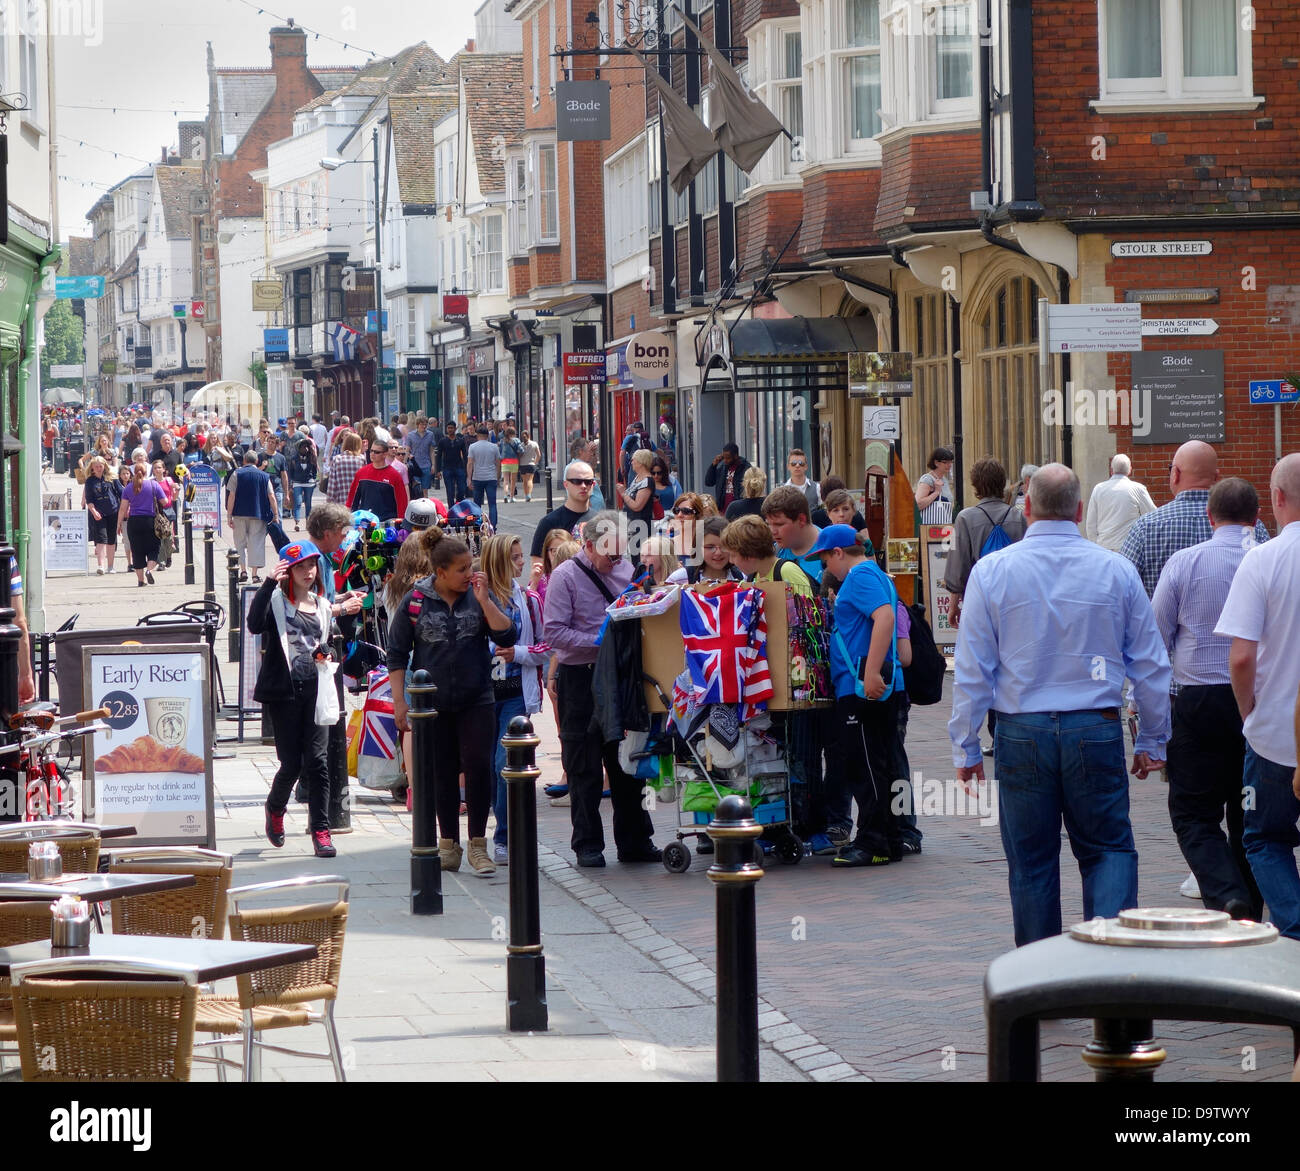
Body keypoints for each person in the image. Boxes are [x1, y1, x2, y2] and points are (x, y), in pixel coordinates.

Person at [949, 465, 1172, 947]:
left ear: (1026, 507)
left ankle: (1039, 982)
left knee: (1031, 861)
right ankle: (1110, 973)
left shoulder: (991, 572)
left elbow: (973, 669)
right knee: (1109, 850)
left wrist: (966, 745)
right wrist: (1153, 738)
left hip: (1022, 730)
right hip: (1094, 726)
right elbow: (1151, 665)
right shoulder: (1116, 569)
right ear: (1079, 510)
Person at [1151, 477, 1264, 921]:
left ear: (1209, 516)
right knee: (1247, 811)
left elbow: (1154, 640)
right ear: (1257, 516)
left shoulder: (1184, 563)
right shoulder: (1265, 560)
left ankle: (1226, 893)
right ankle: (1249, 905)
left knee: (1194, 813)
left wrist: (1146, 713)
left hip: (1196, 702)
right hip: (1255, 700)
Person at [388, 528, 517, 878]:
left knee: (478, 765)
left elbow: (508, 634)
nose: (469, 575)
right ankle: (448, 843)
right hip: (433, 704)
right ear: (440, 572)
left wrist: (486, 599)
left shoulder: (478, 596)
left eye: (470, 567)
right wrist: (400, 702)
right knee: (442, 772)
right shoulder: (415, 600)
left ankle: (478, 843)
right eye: (461, 570)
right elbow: (397, 654)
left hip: (477, 697)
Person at [544, 511, 660, 867]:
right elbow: (553, 633)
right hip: (581, 676)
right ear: (589, 546)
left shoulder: (627, 570)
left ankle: (636, 842)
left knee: (627, 762)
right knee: (583, 766)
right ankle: (588, 845)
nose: (617, 561)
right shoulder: (564, 577)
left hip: (620, 676)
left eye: (621, 554)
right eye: (610, 554)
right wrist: (599, 642)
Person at [1215, 452, 1300, 939]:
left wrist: (1249, 711)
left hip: (1273, 732)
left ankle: (1294, 928)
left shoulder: (1261, 560)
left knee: (1264, 838)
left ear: (1277, 498)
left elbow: (1242, 657)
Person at [248, 541, 363, 859]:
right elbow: (254, 623)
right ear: (288, 571)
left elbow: (324, 640)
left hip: (316, 692)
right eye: (300, 567)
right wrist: (270, 580)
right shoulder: (275, 601)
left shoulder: (321, 605)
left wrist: (325, 651)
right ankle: (275, 808)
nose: (308, 572)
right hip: (285, 694)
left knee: (319, 763)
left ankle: (321, 831)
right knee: (292, 764)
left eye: (312, 566)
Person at [812, 525, 903, 867]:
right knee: (878, 763)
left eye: (825, 559)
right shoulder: (876, 574)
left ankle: (873, 842)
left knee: (864, 765)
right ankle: (886, 838)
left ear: (838, 553)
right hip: (868, 684)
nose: (825, 569)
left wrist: (871, 672)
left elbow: (885, 617)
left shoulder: (859, 576)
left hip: (860, 686)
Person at [1121, 440, 1270, 598]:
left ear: (1175, 474)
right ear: (1216, 477)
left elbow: (1122, 585)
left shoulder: (1145, 527)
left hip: (1161, 621)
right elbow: (1270, 575)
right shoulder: (1250, 525)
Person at [481, 534, 548, 865]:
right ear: (498, 561)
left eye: (522, 556)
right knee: (488, 768)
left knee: (503, 762)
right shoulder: (475, 598)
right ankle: (499, 825)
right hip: (482, 694)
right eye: (516, 557)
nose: (523, 563)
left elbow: (547, 646)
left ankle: (504, 837)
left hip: (515, 695)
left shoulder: (529, 600)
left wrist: (518, 652)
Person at [943, 456, 1028, 628]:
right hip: (1014, 600)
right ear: (1002, 483)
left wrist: (953, 605)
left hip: (979, 599)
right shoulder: (1019, 517)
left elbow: (958, 566)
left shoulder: (965, 518)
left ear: (976, 484)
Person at [722, 514, 812, 596]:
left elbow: (810, 610)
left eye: (733, 555)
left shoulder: (787, 570)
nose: (731, 561)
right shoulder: (753, 577)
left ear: (750, 554)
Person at [530, 460, 596, 568]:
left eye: (588, 482)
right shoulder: (549, 523)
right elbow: (538, 567)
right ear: (566, 484)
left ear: (593, 484)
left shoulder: (601, 521)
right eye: (577, 481)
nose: (583, 486)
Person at [226, 450, 278, 584]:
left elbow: (231, 496)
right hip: (258, 514)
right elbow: (271, 496)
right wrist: (276, 514)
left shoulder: (236, 474)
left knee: (240, 543)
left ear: (244, 461)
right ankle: (254, 574)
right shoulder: (264, 476)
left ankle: (243, 571)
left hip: (239, 514)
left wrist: (229, 515)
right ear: (256, 462)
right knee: (257, 543)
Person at [1086, 454, 1156, 552]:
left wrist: (1096, 546)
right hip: (1129, 548)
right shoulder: (1138, 489)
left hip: (1104, 547)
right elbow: (1152, 516)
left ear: (1111, 470)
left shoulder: (1098, 489)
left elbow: (1091, 524)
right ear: (1130, 470)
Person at [116, 460, 168, 587]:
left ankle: (140, 581)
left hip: (134, 522)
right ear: (146, 472)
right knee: (154, 549)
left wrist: (118, 524)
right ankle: (149, 570)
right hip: (150, 521)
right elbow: (165, 502)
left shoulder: (128, 488)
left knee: (137, 551)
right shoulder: (154, 485)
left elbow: (123, 508)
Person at [763, 485, 824, 586]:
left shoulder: (831, 551)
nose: (772, 531)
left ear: (801, 520)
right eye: (768, 524)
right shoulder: (774, 553)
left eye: (779, 524)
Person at [346, 431, 408, 522]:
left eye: (376, 452)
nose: (372, 454)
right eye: (371, 451)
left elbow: (402, 502)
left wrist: (400, 522)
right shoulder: (361, 473)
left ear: (385, 454)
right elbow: (352, 498)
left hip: (387, 522)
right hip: (365, 521)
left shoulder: (394, 475)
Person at [666, 516, 737, 585]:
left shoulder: (742, 576)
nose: (718, 553)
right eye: (710, 547)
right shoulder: (679, 579)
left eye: (724, 546)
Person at [82, 456, 121, 575]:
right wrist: (94, 511)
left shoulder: (112, 479)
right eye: (96, 466)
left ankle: (110, 566)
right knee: (101, 539)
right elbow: (89, 499)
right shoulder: (90, 481)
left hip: (113, 511)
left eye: (101, 466)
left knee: (111, 540)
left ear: (104, 466)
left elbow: (122, 493)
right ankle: (101, 566)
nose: (99, 468)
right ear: (92, 468)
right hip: (98, 513)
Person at [621, 448, 656, 556]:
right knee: (634, 555)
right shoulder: (637, 477)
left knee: (639, 557)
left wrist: (623, 493)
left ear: (641, 462)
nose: (631, 462)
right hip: (632, 524)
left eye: (633, 460)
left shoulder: (647, 481)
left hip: (641, 526)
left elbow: (637, 506)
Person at [466, 425, 501, 529]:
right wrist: (498, 476)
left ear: (477, 435)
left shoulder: (473, 447)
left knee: (476, 504)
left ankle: (477, 525)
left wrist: (469, 478)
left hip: (478, 478)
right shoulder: (494, 447)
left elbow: (470, 463)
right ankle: (493, 526)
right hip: (491, 477)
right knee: (492, 504)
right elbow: (498, 463)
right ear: (487, 435)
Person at [704, 443, 752, 514]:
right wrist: (713, 465)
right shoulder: (723, 467)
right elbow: (709, 482)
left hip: (738, 511)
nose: (725, 460)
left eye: (728, 458)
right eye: (724, 457)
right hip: (722, 511)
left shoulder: (745, 468)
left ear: (735, 456)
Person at [915, 447, 955, 525]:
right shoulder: (928, 479)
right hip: (930, 528)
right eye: (945, 462)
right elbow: (918, 504)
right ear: (936, 463)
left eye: (951, 462)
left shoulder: (944, 480)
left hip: (944, 526)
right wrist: (936, 492)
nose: (949, 465)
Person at [287, 437, 319, 532]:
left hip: (309, 483)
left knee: (308, 503)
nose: (305, 449)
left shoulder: (312, 458)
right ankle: (297, 522)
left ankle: (308, 522)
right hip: (297, 482)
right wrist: (290, 484)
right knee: (298, 502)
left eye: (307, 447)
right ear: (299, 448)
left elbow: (314, 471)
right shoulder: (293, 459)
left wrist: (314, 479)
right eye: (303, 447)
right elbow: (290, 472)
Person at [150, 459, 177, 570]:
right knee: (160, 537)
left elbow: (174, 498)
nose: (157, 470)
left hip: (168, 511)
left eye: (159, 467)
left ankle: (169, 556)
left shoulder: (168, 480)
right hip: (157, 513)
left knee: (169, 538)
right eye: (155, 468)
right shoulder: (151, 482)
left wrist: (177, 490)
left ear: (164, 469)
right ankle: (161, 562)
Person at [257, 434, 290, 521]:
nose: (270, 444)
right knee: (263, 515)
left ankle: (279, 532)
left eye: (273, 442)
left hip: (277, 489)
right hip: (263, 489)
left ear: (277, 445)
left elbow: (284, 476)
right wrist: (262, 467)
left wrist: (286, 494)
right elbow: (255, 472)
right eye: (269, 442)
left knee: (278, 514)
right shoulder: (260, 457)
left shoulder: (281, 458)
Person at [326, 432, 364, 506]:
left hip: (341, 501)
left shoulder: (337, 459)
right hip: (359, 501)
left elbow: (332, 483)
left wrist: (329, 502)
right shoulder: (362, 459)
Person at [784, 449, 821, 514]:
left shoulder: (817, 488)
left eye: (801, 463)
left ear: (806, 466)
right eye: (793, 463)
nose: (797, 466)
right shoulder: (782, 490)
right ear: (788, 467)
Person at [407, 416, 436, 497]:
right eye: (422, 424)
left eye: (425, 424)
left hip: (426, 464)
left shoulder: (430, 434)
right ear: (417, 424)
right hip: (414, 465)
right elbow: (407, 450)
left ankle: (425, 507)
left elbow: (432, 451)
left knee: (425, 490)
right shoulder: (410, 435)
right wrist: (405, 462)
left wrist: (433, 465)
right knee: (416, 489)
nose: (424, 426)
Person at [499, 426, 522, 503]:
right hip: (514, 462)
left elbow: (500, 451)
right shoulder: (516, 440)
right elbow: (521, 450)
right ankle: (511, 497)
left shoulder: (502, 441)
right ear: (513, 433)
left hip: (505, 462)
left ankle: (505, 495)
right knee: (513, 480)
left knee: (506, 480)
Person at [518, 432, 541, 503]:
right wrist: (535, 462)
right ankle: (529, 495)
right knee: (530, 480)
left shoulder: (520, 445)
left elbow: (518, 455)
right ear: (529, 436)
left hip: (522, 465)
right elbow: (539, 455)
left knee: (524, 481)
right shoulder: (534, 444)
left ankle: (526, 495)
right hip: (531, 464)